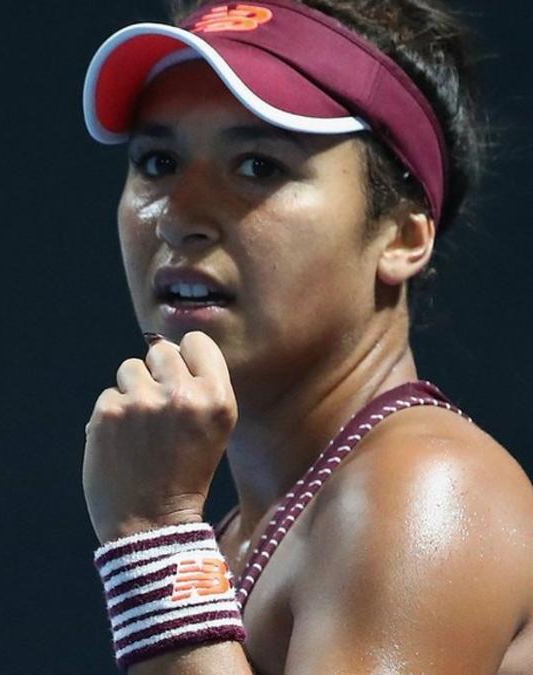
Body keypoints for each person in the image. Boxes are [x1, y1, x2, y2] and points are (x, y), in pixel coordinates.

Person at [80, 0, 533, 672]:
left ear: (402, 236)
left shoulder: (428, 490)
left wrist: (156, 538)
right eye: (157, 161)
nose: (178, 217)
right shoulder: (246, 531)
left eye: (258, 166)